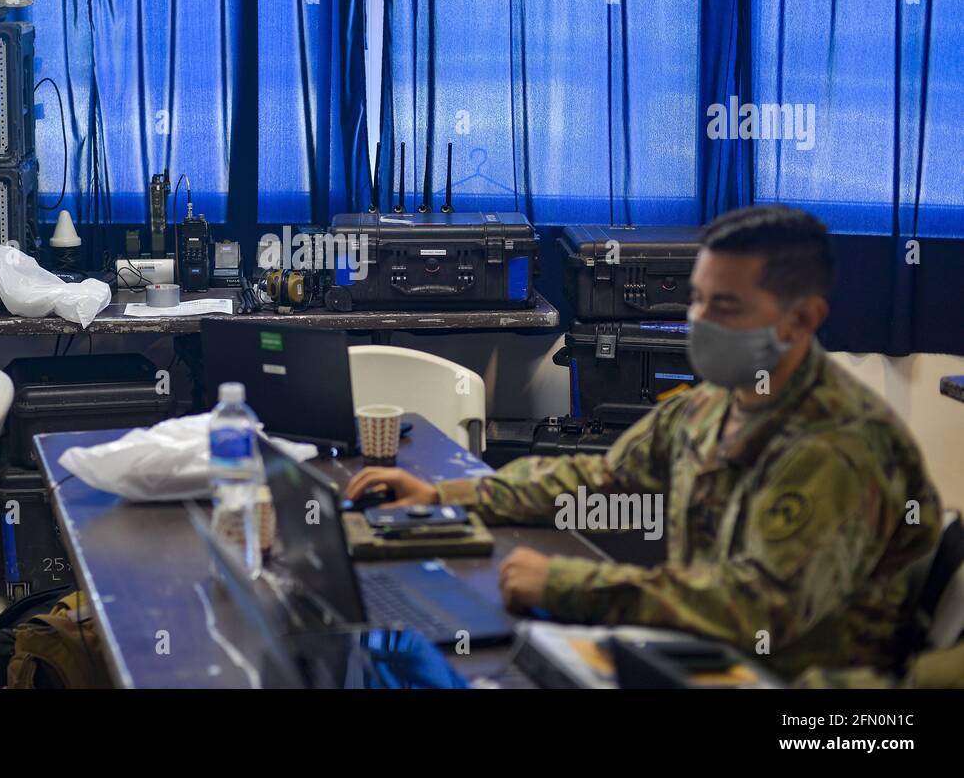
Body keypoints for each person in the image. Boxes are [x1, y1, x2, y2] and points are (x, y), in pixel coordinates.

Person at [346, 205, 942, 679]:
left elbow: (755, 608)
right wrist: (446, 493)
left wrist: (567, 584)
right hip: (697, 655)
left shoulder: (838, 444)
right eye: (698, 298)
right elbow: (601, 479)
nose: (700, 320)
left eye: (725, 305)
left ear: (803, 319)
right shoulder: (714, 402)